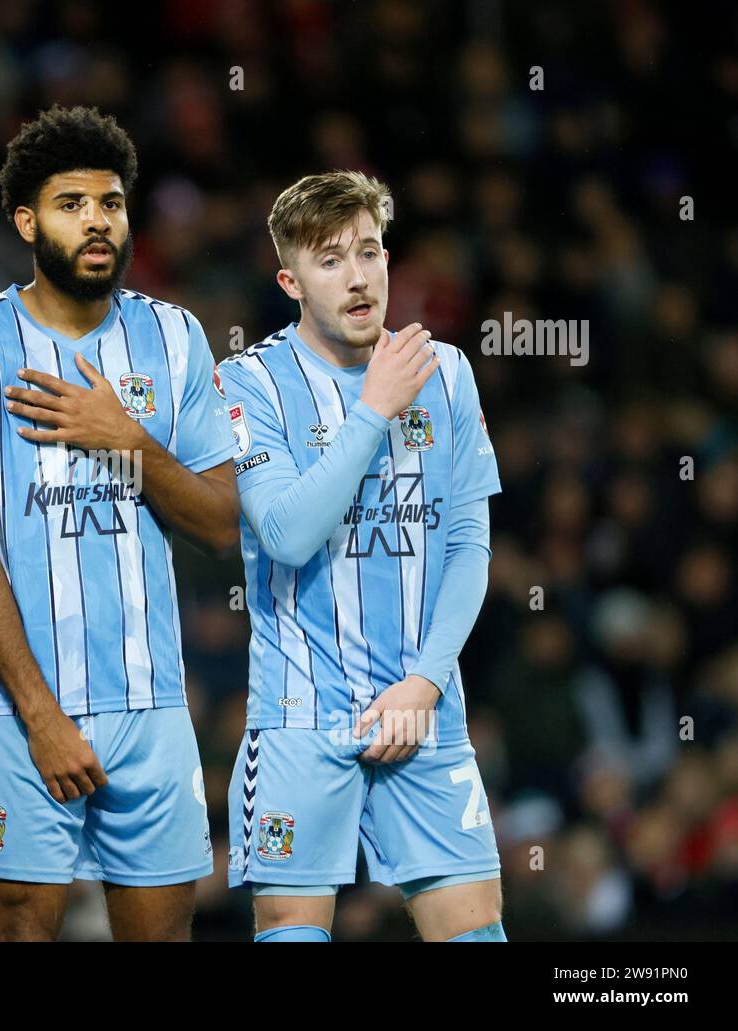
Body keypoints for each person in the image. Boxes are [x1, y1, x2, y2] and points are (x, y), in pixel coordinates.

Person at [0, 106, 241, 941]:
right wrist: (41, 716)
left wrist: (129, 441)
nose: (98, 221)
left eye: (110, 202)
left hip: (153, 710)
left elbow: (222, 522)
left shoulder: (175, 337)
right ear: (27, 220)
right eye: (71, 204)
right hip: (18, 710)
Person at [219, 170, 506, 942]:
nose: (358, 276)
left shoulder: (444, 373)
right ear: (290, 280)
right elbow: (285, 532)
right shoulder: (250, 382)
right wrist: (373, 410)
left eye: (370, 252)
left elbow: (469, 543)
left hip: (424, 710)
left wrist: (424, 681)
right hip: (300, 716)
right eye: (330, 259)